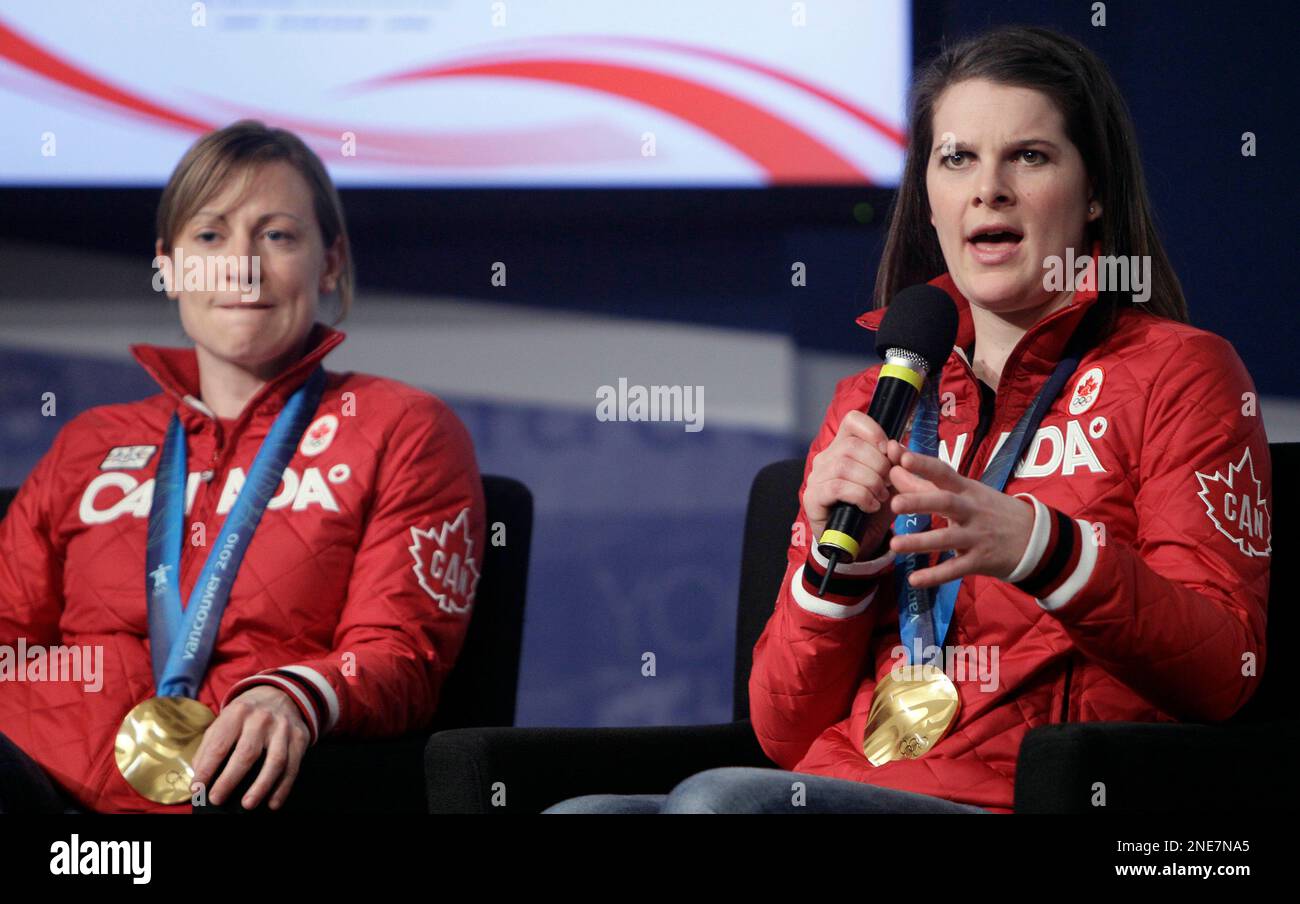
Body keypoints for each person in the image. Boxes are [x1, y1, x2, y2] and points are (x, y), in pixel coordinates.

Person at [545, 25, 1270, 814]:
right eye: (957, 158)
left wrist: (1038, 547)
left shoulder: (1180, 373)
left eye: (1029, 156)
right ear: (929, 196)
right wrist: (840, 565)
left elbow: (1221, 673)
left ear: (1094, 192)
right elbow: (782, 731)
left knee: (719, 805)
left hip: (1023, 798)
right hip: (842, 784)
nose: (987, 188)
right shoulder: (874, 398)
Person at [0, 120, 485, 813]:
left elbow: (400, 654)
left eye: (277, 235)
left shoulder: (399, 429)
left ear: (330, 263)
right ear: (167, 267)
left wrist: (291, 694)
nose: (241, 266)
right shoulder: (91, 443)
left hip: (242, 795)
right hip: (42, 796)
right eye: (209, 236)